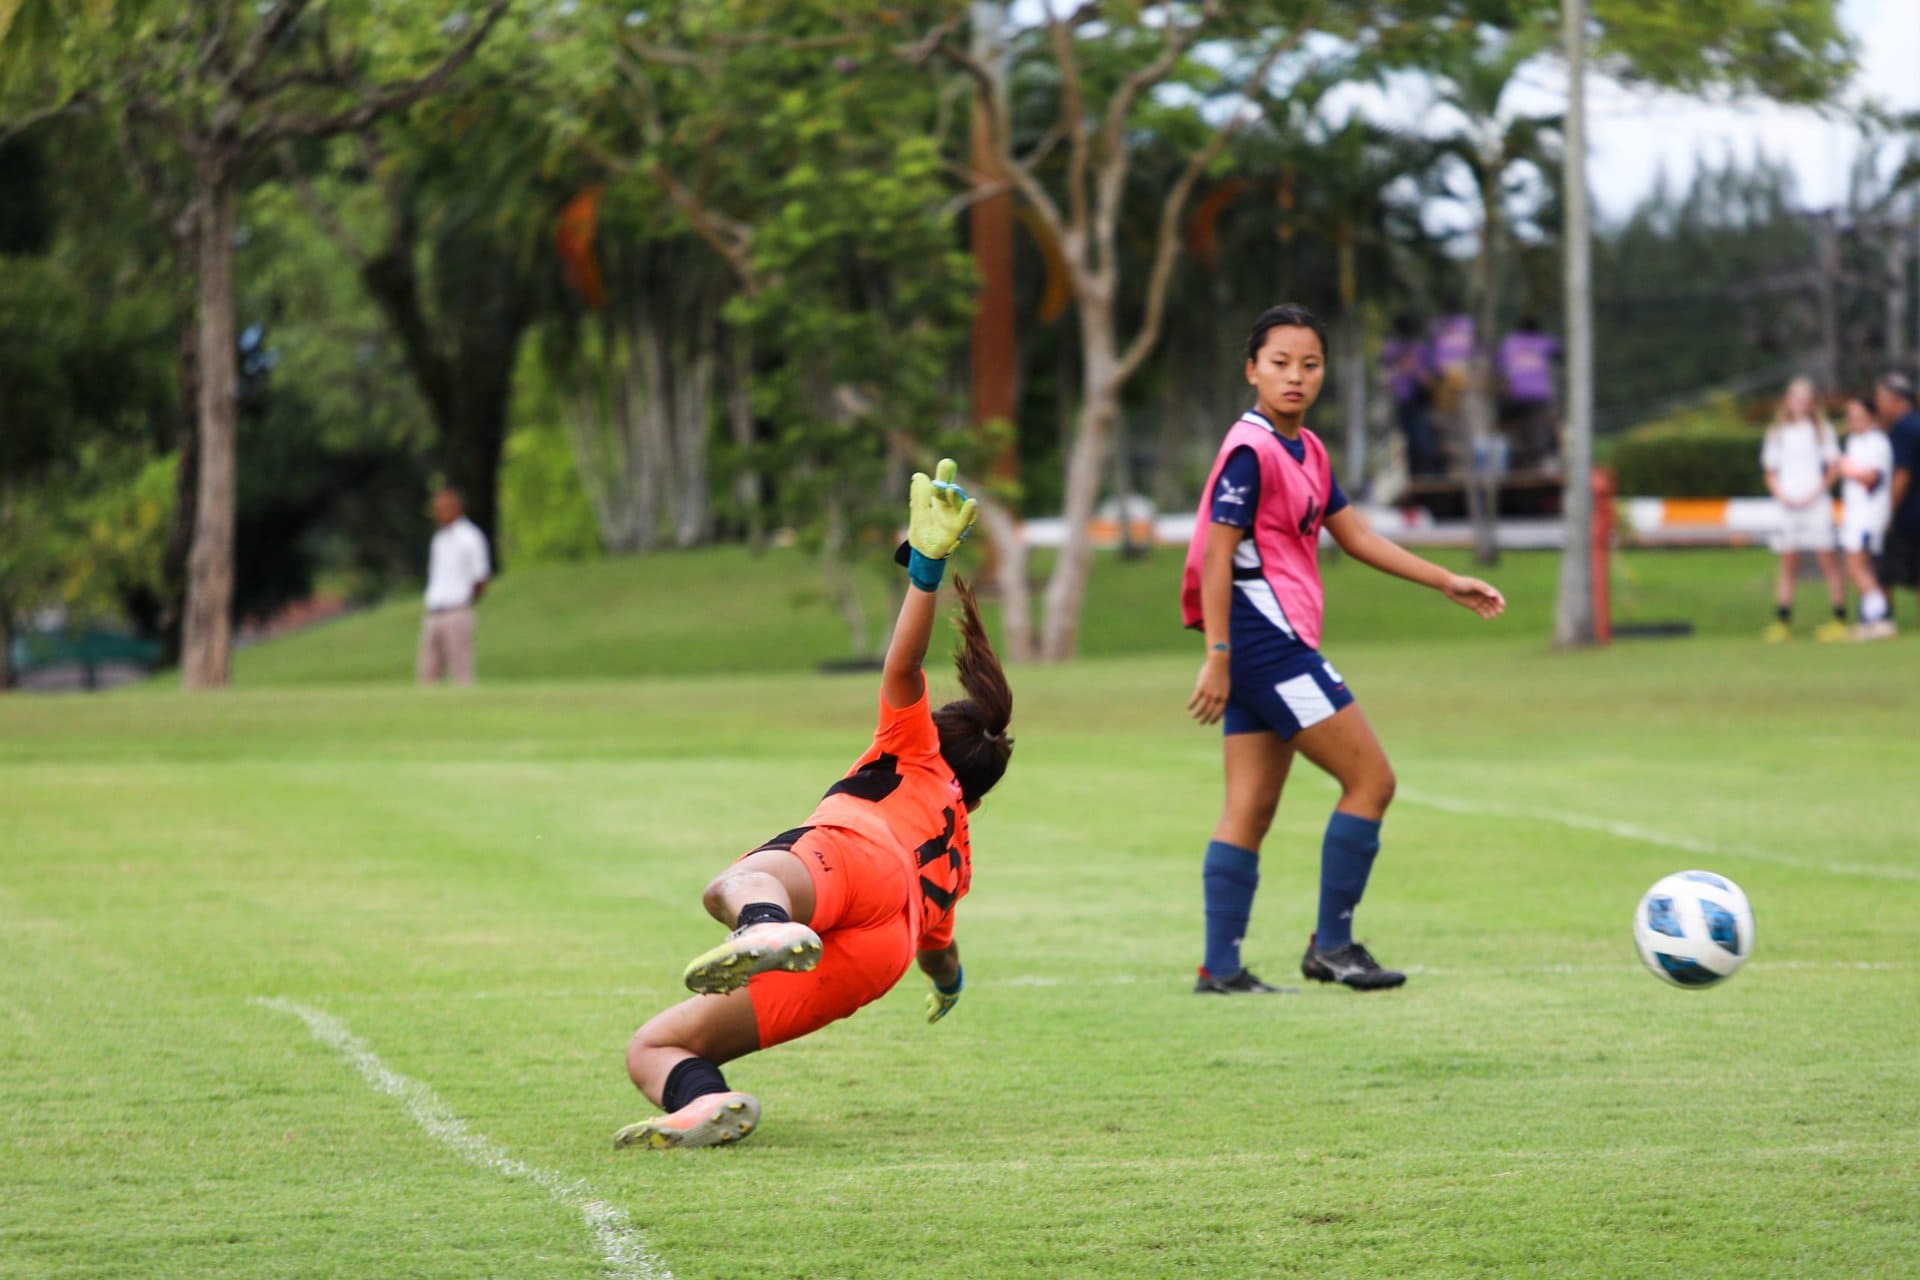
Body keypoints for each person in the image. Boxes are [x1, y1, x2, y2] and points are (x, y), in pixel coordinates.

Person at [614, 461, 1009, 1149]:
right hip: (882, 955)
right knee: (661, 1047)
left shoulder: (914, 751)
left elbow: (903, 669)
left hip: (859, 858)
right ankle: (705, 1103)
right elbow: (940, 954)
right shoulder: (958, 844)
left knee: (732, 888)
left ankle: (761, 924)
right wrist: (950, 986)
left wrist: (925, 569)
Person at [1181, 304, 1505, 996]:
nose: (1295, 376)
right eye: (1279, 363)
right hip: (1267, 646)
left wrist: (1445, 579)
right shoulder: (1251, 450)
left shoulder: (1309, 449)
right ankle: (1332, 946)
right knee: (1372, 782)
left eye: (1310, 364)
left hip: (1262, 647)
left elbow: (1356, 538)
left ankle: (1221, 968)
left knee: (1251, 806)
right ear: (1251, 369)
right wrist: (1217, 652)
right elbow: (1215, 557)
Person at [1759, 377, 1847, 643]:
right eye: (1796, 398)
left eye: (1806, 399)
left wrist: (1814, 493)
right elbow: (1770, 471)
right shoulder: (1777, 432)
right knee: (1788, 562)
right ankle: (1783, 619)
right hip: (1788, 505)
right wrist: (1782, 494)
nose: (1801, 404)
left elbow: (1833, 468)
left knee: (1827, 560)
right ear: (1788, 401)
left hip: (1815, 503)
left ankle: (1839, 616)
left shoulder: (1822, 430)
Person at [1836, 393, 1896, 639]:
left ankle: (1880, 615)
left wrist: (1846, 469)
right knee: (1861, 568)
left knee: (1855, 566)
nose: (1853, 420)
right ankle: (1870, 618)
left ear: (1870, 417)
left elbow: (1873, 478)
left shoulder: (1877, 442)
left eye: (1858, 415)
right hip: (1854, 513)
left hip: (1869, 515)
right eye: (1850, 416)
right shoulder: (1854, 441)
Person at [417, 487, 492, 683]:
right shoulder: (438, 539)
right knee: (427, 672)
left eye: (445, 508)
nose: (440, 513)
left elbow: (480, 578)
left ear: (458, 508)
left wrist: (465, 600)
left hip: (457, 610)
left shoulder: (470, 537)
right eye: (437, 508)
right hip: (434, 611)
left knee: (460, 671)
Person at [1875, 372, 1920, 622]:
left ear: (1897, 400)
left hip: (1909, 514)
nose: (1878, 404)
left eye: (1881, 398)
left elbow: (1902, 474)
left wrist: (1889, 511)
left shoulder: (1903, 428)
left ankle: (1882, 619)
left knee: (1886, 572)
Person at [1496, 314, 1562, 468]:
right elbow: (1560, 351)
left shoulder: (1510, 341)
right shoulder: (1544, 340)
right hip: (1539, 397)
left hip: (1515, 397)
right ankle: (1541, 453)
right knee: (1543, 421)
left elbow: (1498, 364)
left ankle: (1508, 448)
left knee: (1503, 417)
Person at [1381, 315, 1440, 477]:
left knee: (1420, 438)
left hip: (1415, 399)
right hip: (1404, 399)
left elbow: (1430, 372)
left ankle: (1424, 471)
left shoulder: (1412, 348)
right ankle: (1417, 472)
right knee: (1411, 439)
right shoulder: (1399, 348)